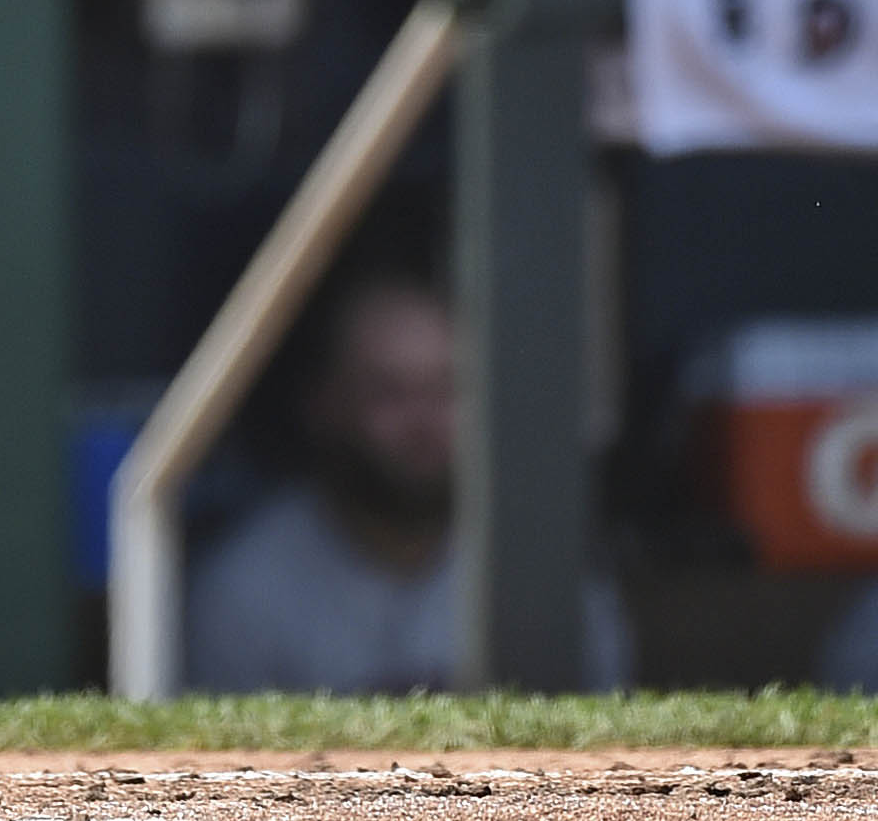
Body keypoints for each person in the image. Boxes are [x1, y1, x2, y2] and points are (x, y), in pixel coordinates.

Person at [187, 268, 631, 690]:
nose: (424, 424)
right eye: (388, 392)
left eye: (447, 388)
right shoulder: (242, 587)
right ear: (323, 405)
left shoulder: (542, 568)